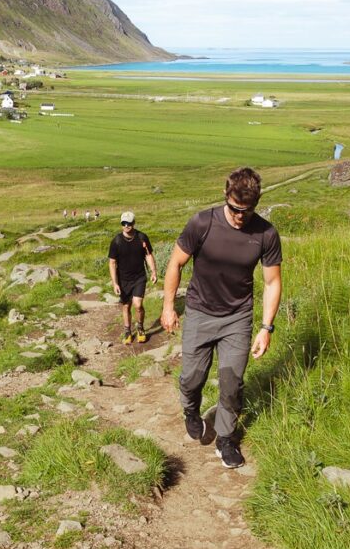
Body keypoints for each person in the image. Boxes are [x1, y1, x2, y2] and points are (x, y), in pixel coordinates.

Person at [160, 167, 282, 469]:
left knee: (231, 382)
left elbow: (272, 282)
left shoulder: (265, 234)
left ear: (256, 203)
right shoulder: (202, 223)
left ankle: (226, 439)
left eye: (247, 210)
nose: (240, 216)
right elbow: (176, 263)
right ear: (225, 197)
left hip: (237, 318)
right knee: (192, 378)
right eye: (234, 209)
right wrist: (168, 307)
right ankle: (191, 410)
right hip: (200, 312)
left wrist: (266, 327)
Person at [108, 210, 158, 345]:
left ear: (133, 223)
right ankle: (127, 331)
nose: (126, 226)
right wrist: (115, 283)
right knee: (126, 306)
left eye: (129, 223)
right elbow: (112, 263)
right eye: (123, 223)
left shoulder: (142, 237)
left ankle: (140, 328)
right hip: (123, 279)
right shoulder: (116, 241)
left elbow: (148, 255)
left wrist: (153, 271)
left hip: (139, 277)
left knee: (138, 304)